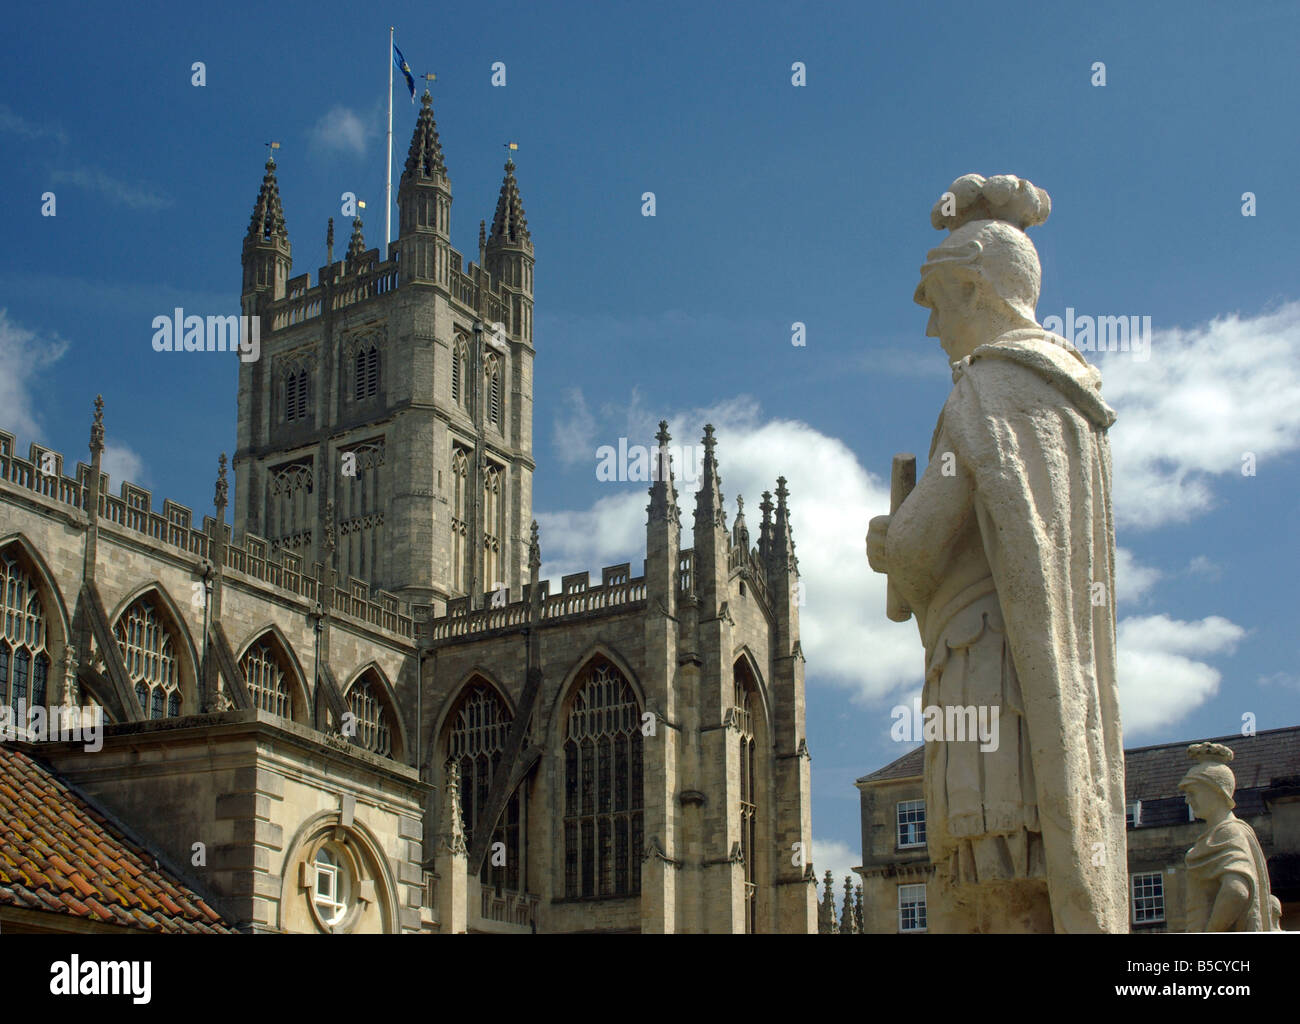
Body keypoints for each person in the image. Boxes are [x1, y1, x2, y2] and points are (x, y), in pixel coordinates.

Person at [867, 174, 1128, 932]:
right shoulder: (1072, 400)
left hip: (981, 662)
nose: (931, 330)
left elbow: (919, 545)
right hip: (1034, 674)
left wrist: (887, 543)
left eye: (937, 304)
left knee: (995, 886)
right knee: (1027, 877)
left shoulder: (981, 392)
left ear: (977, 291)